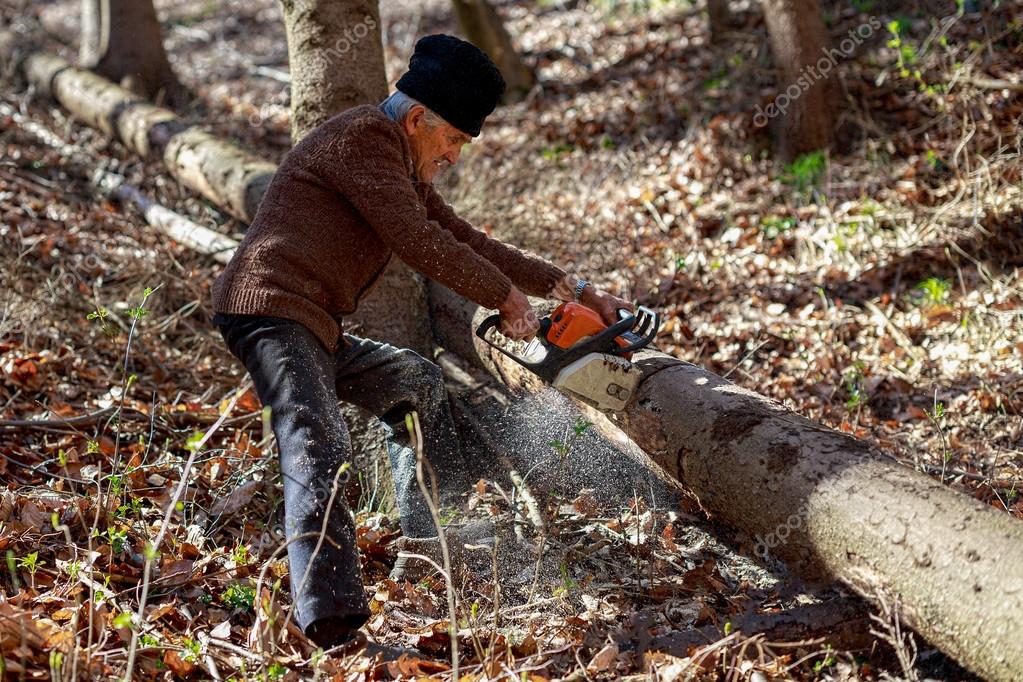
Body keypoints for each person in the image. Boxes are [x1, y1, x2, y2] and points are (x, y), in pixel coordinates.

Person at [211, 34, 630, 648]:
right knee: (314, 438)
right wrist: (503, 298)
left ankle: (430, 541)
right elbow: (414, 239)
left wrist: (574, 287)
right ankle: (331, 623)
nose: (456, 155)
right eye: (455, 139)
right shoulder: (362, 141)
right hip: (270, 311)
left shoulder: (397, 163)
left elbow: (469, 239)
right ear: (416, 120)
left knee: (416, 380)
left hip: (313, 325)